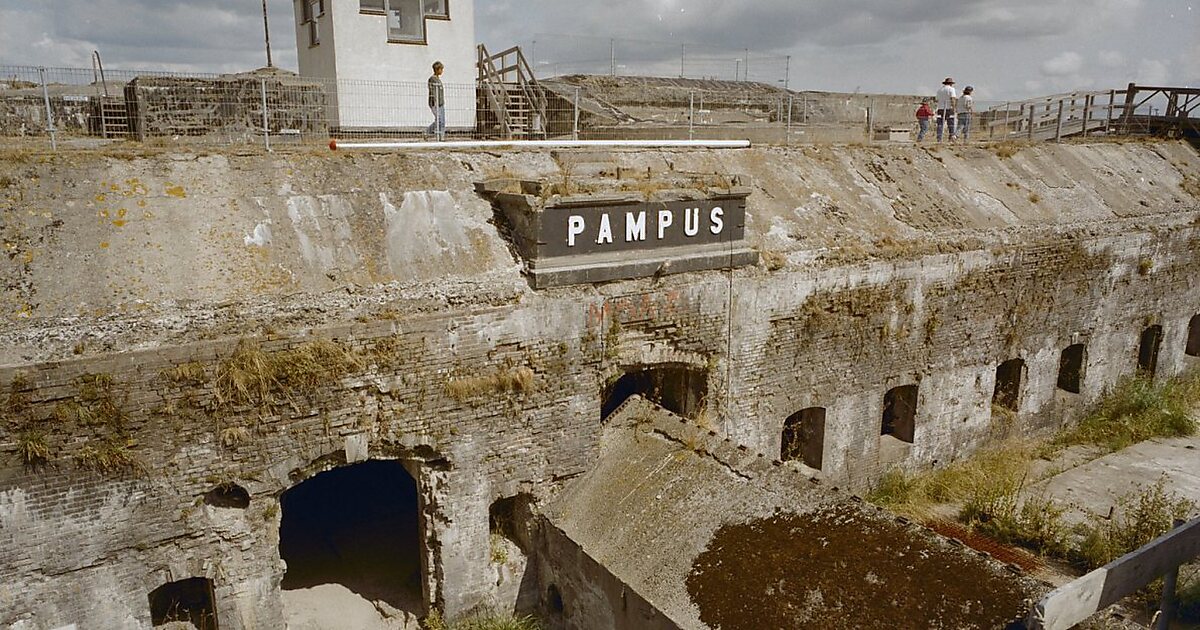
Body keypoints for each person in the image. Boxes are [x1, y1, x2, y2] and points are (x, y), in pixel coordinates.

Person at [427, 61, 446, 141]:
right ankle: (428, 132)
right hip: (435, 103)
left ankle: (441, 137)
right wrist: (435, 102)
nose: (442, 71)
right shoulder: (432, 79)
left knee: (442, 120)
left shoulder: (438, 79)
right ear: (437, 69)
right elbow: (433, 91)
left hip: (441, 103)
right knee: (439, 120)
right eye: (441, 69)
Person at [936, 77, 957, 142]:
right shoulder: (951, 89)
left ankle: (939, 138)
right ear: (951, 84)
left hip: (940, 108)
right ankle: (951, 137)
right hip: (948, 108)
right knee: (951, 124)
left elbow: (937, 99)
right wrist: (954, 107)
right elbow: (953, 99)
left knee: (940, 124)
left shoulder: (939, 90)